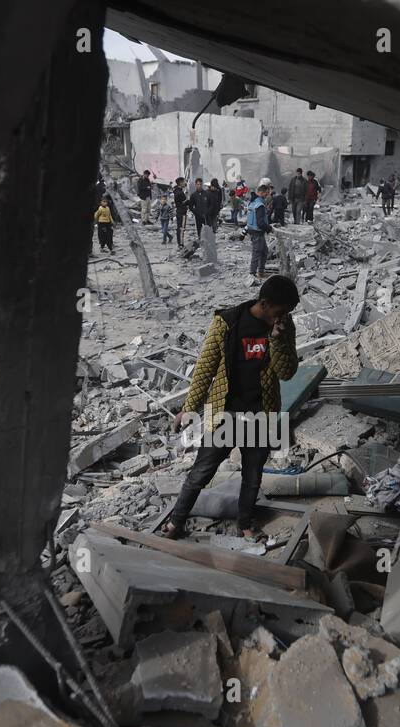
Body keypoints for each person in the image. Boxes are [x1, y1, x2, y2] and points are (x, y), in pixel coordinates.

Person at [162, 275, 300, 542]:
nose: (284, 317)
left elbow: (286, 373)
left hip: (262, 413)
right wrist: (188, 408)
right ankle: (176, 521)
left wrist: (277, 340)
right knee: (200, 473)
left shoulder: (284, 326)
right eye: (281, 311)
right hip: (225, 415)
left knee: (252, 477)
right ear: (264, 303)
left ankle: (245, 524)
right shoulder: (227, 323)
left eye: (289, 312)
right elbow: (205, 368)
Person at [244, 182, 274, 278]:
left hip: (252, 230)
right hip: (257, 232)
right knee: (257, 252)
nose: (267, 195)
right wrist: (269, 228)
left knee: (264, 251)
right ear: (262, 192)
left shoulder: (253, 202)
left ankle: (261, 271)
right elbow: (260, 223)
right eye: (267, 193)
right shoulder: (259, 205)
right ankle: (252, 274)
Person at [172, 177, 189, 246]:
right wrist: (188, 200)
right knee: (181, 228)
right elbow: (184, 202)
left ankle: (180, 242)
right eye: (184, 182)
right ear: (180, 182)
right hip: (182, 212)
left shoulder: (177, 190)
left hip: (179, 211)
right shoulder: (180, 192)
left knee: (179, 227)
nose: (185, 183)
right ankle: (181, 244)